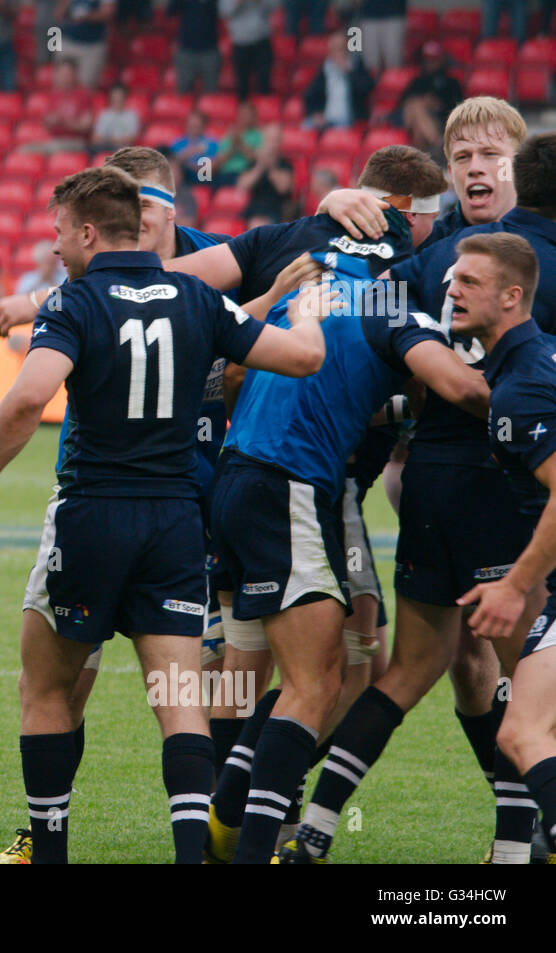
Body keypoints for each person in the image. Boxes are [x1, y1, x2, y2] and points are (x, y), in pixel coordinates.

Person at [0, 164, 330, 864]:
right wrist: (304, 297)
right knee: (179, 697)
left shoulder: (74, 301)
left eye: (61, 233)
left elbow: (24, 398)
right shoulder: (197, 297)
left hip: (92, 516)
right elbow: (305, 356)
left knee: (45, 687)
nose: (56, 247)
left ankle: (50, 851)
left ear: (91, 232)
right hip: (173, 524)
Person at [187, 147, 490, 863]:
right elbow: (464, 390)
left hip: (234, 478)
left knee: (288, 666)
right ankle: (245, 830)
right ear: (411, 221)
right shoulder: (401, 297)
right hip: (293, 483)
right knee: (324, 681)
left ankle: (233, 814)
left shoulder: (306, 265)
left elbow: (228, 369)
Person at [281, 131, 556, 865]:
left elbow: (370, 303)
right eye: (460, 153)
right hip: (508, 487)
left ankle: (305, 828)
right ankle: (515, 850)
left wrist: (333, 208)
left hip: (427, 482)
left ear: (515, 172)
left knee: (420, 669)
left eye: (487, 155)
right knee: (526, 687)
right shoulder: (506, 276)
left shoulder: (432, 262)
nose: (473, 166)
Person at [458, 233, 556, 863]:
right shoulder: (541, 359)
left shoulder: (518, 394)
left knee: (523, 730)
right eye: (453, 278)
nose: (451, 288)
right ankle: (512, 857)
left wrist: (516, 585)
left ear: (511, 297)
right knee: (527, 729)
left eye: (469, 281)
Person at [396, 41, 464, 154]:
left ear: (441, 60)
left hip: (439, 120)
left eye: (434, 59)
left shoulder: (451, 82)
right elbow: (403, 104)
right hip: (410, 119)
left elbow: (457, 107)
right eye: (428, 59)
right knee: (415, 106)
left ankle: (421, 160)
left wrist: (434, 104)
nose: (430, 63)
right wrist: (424, 101)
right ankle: (438, 143)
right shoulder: (417, 81)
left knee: (418, 128)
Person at [303, 30, 375, 131]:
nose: (338, 53)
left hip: (349, 120)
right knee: (305, 127)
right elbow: (309, 95)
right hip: (326, 119)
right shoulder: (325, 68)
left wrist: (349, 72)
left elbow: (367, 87)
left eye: (341, 49)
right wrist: (315, 113)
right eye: (335, 49)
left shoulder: (356, 65)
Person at [23, 60, 96, 153]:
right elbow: (46, 124)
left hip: (76, 142)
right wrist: (50, 121)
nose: (64, 77)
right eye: (62, 73)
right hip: (54, 140)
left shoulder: (83, 95)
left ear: (75, 75)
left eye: (68, 73)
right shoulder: (54, 95)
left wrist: (64, 122)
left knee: (53, 149)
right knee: (23, 151)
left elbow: (86, 125)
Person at [239, 124, 299, 224]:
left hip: (277, 210)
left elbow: (283, 188)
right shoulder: (254, 163)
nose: (273, 144)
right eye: (270, 140)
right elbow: (243, 185)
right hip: (255, 209)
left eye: (276, 140)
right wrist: (260, 166)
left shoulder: (285, 164)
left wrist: (271, 166)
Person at [220, 0, 275, 100]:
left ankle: (265, 111)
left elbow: (275, 6)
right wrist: (238, 2)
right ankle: (243, 112)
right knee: (242, 85)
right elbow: (224, 12)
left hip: (262, 40)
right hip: (240, 42)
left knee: (264, 83)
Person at [55, 0, 117, 88]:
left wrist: (86, 16)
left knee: (86, 85)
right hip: (68, 41)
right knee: (61, 83)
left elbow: (108, 13)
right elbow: (58, 15)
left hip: (92, 46)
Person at [169, 0, 221, 95]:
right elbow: (170, 11)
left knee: (211, 93)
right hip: (186, 50)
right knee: (184, 92)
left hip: (210, 50)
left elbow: (224, 12)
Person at [211, 100, 261, 187]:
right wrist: (231, 149)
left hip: (242, 174)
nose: (244, 117)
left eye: (247, 114)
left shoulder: (258, 135)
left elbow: (256, 159)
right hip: (223, 173)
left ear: (253, 117)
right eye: (242, 113)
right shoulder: (229, 134)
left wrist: (239, 143)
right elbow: (218, 160)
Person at [91, 84, 140, 156]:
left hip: (122, 149)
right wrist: (115, 140)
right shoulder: (104, 114)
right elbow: (96, 138)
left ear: (125, 98)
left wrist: (108, 139)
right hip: (104, 147)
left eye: (119, 97)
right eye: (114, 97)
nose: (117, 100)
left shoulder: (131, 115)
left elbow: (130, 138)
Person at [357, 0, 406, 72]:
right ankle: (372, 82)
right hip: (369, 14)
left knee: (393, 58)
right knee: (370, 61)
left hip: (394, 14)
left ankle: (392, 82)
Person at [171, 111, 218, 186]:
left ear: (203, 126)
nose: (193, 127)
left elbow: (210, 169)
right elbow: (172, 164)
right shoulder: (178, 143)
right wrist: (187, 153)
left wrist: (189, 165)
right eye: (191, 125)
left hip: (202, 178)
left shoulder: (211, 143)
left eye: (196, 125)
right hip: (182, 179)